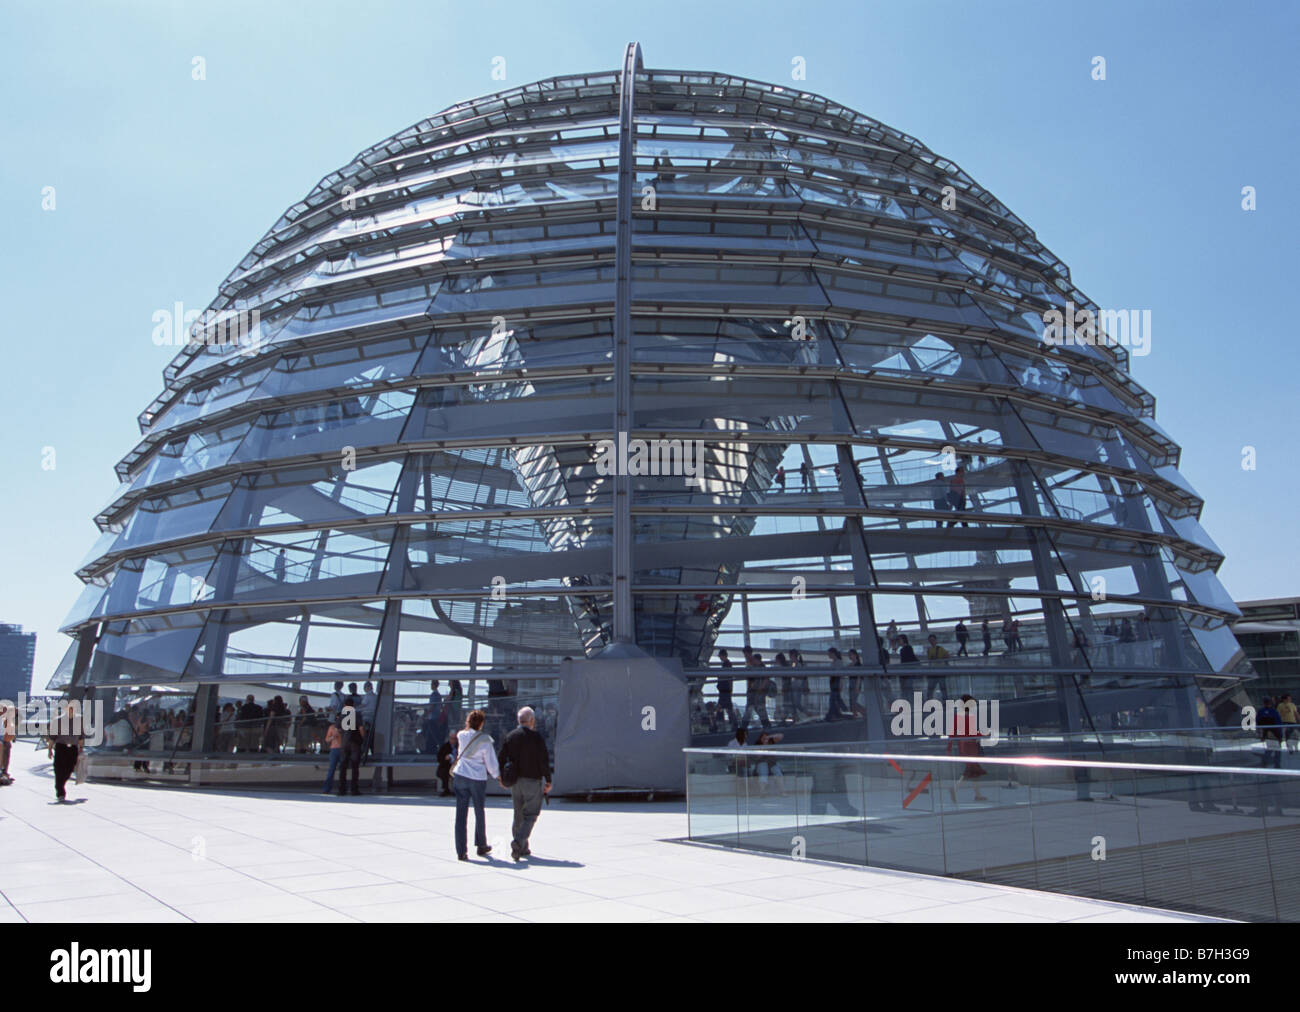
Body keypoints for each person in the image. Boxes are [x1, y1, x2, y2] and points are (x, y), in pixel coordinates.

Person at [497, 706, 553, 861]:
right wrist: (548, 780)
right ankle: (518, 842)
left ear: (518, 720)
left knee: (518, 815)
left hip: (515, 782)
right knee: (531, 815)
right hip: (533, 781)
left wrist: (500, 777)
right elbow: (543, 761)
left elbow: (501, 758)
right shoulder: (536, 738)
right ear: (532, 721)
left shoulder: (511, 736)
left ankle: (522, 849)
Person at [451, 710, 499, 860]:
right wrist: (498, 776)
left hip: (460, 775)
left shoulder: (460, 735)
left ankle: (461, 850)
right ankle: (481, 845)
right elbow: (490, 762)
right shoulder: (485, 740)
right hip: (477, 778)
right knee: (479, 811)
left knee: (460, 814)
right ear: (482, 723)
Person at [948, 694, 989, 803]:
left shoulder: (958, 716)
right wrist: (984, 734)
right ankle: (955, 789)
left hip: (963, 746)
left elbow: (952, 733)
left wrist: (949, 746)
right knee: (971, 769)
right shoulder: (970, 717)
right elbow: (973, 732)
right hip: (970, 746)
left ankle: (977, 794)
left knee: (972, 770)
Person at [48, 702, 84, 802]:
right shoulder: (58, 720)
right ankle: (60, 792)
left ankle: (61, 784)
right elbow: (52, 737)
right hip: (61, 747)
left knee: (69, 769)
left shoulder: (79, 720)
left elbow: (81, 736)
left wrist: (81, 749)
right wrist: (50, 749)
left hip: (72, 748)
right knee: (58, 769)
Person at [337, 697, 365, 796]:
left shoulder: (342, 715)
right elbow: (361, 728)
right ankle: (354, 789)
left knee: (343, 767)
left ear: (345, 705)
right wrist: (363, 739)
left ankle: (341, 789)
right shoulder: (357, 714)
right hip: (355, 742)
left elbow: (338, 730)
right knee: (354, 767)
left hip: (345, 742)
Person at [740, 653, 772, 730]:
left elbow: (765, 680)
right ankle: (766, 725)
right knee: (757, 710)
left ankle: (744, 726)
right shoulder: (758, 668)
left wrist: (760, 689)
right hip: (756, 693)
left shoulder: (761, 668)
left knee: (755, 709)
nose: (753, 661)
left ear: (757, 660)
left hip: (757, 693)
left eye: (754, 659)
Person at [714, 649, 736, 732]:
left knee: (722, 706)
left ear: (723, 655)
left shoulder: (726, 665)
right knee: (727, 706)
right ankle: (732, 723)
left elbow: (726, 678)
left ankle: (719, 724)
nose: (720, 658)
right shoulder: (727, 664)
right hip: (725, 689)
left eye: (720, 656)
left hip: (725, 690)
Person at [1258, 698, 1283, 769]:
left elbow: (1259, 723)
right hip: (1275, 734)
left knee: (1269, 749)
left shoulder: (1261, 711)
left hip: (1267, 734)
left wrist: (1262, 735)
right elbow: (1278, 723)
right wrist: (1280, 736)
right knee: (1276, 750)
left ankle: (1264, 763)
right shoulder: (1274, 712)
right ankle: (1276, 765)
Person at [825, 647, 848, 720]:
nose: (828, 655)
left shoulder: (839, 662)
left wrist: (840, 684)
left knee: (833, 698)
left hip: (836, 681)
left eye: (829, 654)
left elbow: (841, 675)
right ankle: (839, 712)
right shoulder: (833, 662)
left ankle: (832, 713)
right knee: (837, 698)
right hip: (833, 682)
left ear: (833, 653)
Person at [322, 718, 343, 794]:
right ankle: (326, 788)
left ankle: (342, 788)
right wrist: (332, 737)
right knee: (331, 769)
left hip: (342, 749)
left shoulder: (345, 728)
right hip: (334, 749)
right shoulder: (332, 727)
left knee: (342, 769)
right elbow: (327, 739)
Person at [436, 731, 456, 796]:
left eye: (454, 738)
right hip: (447, 765)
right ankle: (446, 789)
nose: (453, 740)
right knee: (444, 772)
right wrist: (445, 758)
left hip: (457, 765)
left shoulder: (460, 746)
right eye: (451, 738)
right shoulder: (445, 746)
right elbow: (439, 758)